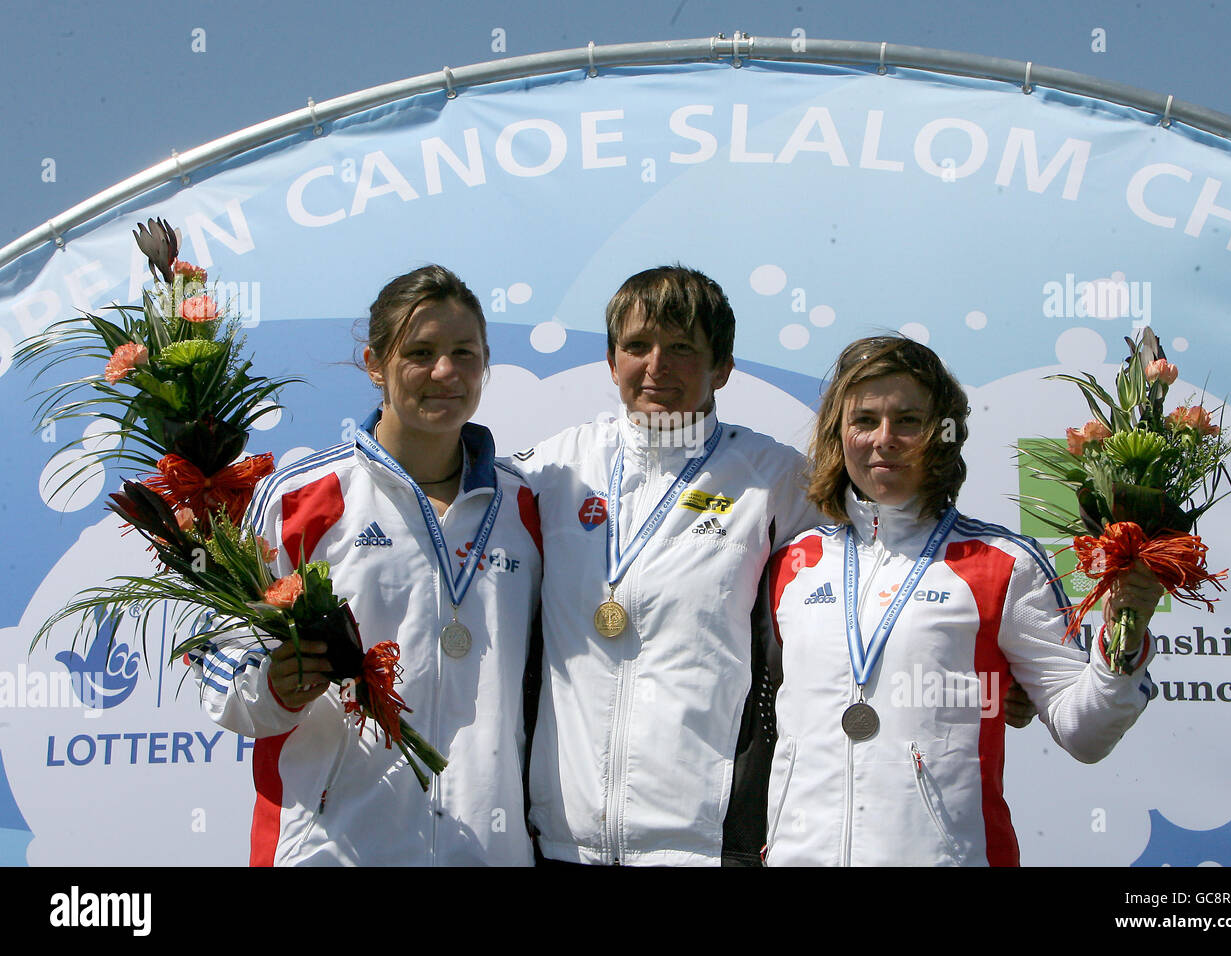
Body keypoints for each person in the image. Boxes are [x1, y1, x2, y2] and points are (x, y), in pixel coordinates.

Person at [191, 265, 542, 866]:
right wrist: (274, 688)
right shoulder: (300, 498)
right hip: (334, 848)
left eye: (464, 353)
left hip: (487, 848)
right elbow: (217, 663)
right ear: (374, 363)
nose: (445, 373)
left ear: (486, 362)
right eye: (420, 352)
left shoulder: (527, 505)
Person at [764, 335, 1160, 866]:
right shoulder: (793, 561)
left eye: (908, 421)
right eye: (865, 420)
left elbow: (1084, 733)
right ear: (839, 434)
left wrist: (1123, 638)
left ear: (943, 436)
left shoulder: (1003, 562)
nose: (885, 439)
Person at [511, 265, 819, 865]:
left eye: (682, 348)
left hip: (700, 843)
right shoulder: (550, 471)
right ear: (610, 359)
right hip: (560, 841)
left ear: (722, 367)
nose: (657, 365)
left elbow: (883, 574)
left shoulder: (777, 480)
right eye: (637, 346)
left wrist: (986, 659)